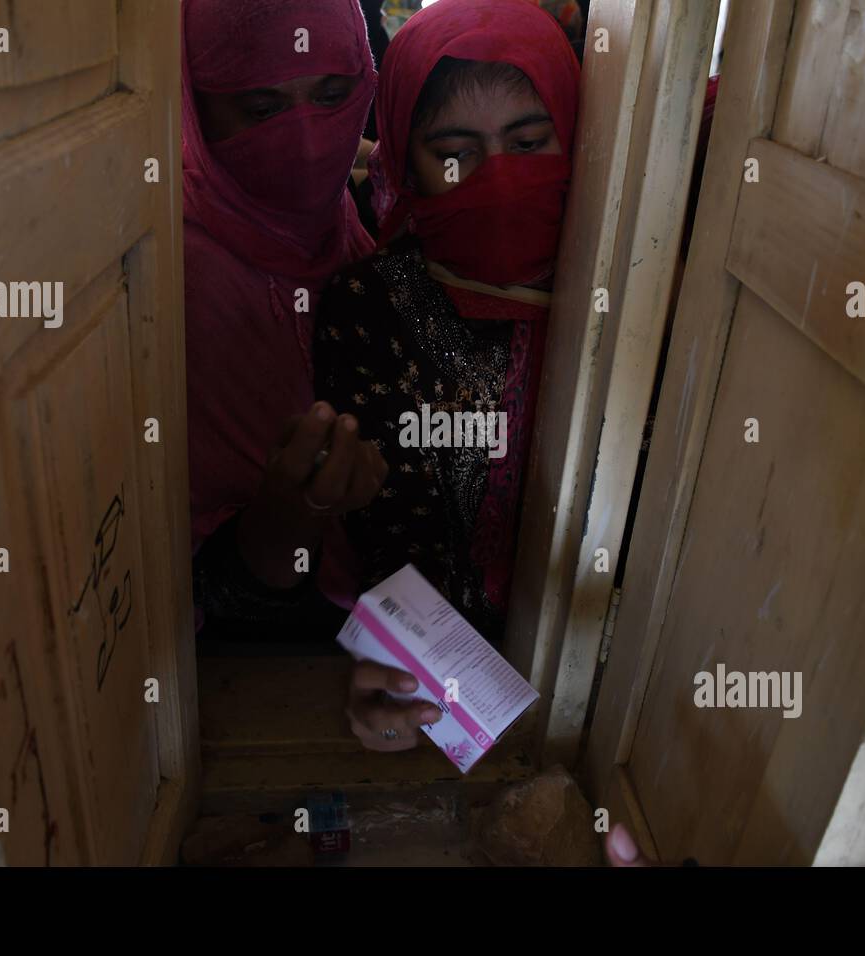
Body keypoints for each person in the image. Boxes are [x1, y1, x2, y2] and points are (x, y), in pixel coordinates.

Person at [308, 0, 581, 749]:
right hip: (449, 667)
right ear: (405, 161)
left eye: (529, 144)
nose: (497, 182)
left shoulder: (616, 298)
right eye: (455, 154)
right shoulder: (372, 304)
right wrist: (395, 672)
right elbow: (394, 517)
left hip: (592, 661)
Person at [181, 0, 388, 638]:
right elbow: (196, 585)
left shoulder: (348, 227)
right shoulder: (174, 280)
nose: (305, 142)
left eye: (332, 96)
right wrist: (291, 515)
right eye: (262, 109)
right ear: (193, 103)